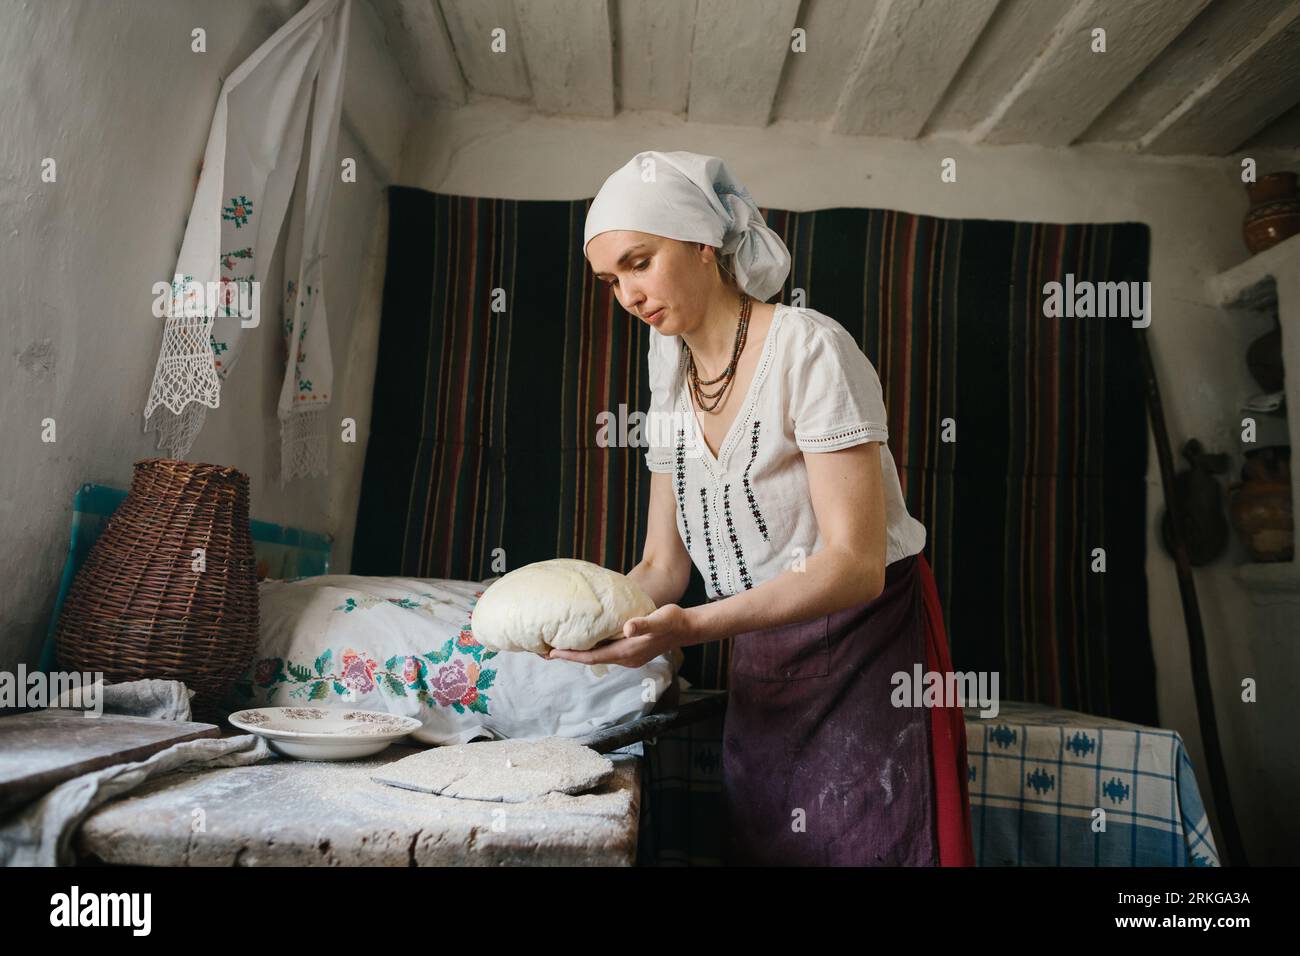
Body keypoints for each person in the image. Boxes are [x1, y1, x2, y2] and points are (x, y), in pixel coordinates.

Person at [549, 150, 974, 866]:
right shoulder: (670, 375)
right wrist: (586, 625)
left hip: (869, 649)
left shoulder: (811, 348)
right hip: (763, 653)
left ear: (702, 244)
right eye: (611, 280)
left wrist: (690, 627)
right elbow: (662, 567)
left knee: (874, 845)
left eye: (640, 262)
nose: (627, 294)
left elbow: (855, 567)